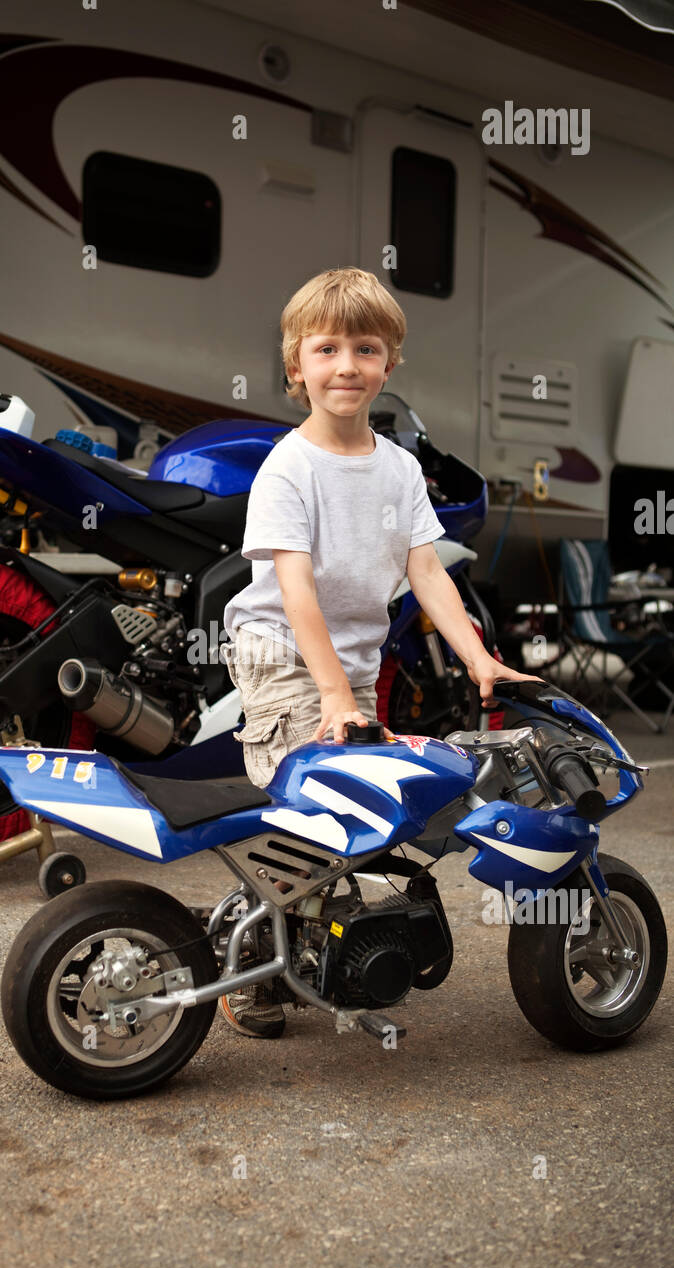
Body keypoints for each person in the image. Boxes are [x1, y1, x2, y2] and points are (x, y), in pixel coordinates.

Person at [220, 267, 539, 1039]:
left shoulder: (398, 470)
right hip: (281, 655)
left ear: (389, 365)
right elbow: (295, 592)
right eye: (326, 349)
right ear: (296, 367)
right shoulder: (289, 468)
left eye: (365, 348)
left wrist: (477, 659)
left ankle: (301, 940)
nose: (346, 365)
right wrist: (333, 697)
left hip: (349, 663)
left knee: (349, 819)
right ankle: (245, 949)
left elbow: (426, 570)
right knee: (318, 807)